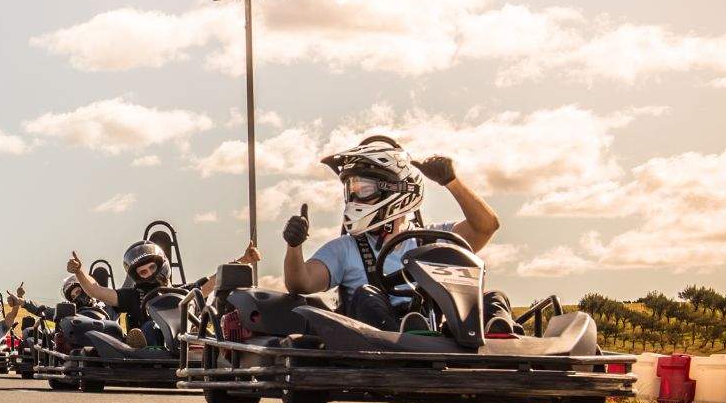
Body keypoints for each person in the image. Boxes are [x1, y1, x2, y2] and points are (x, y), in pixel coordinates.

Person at [278, 136, 508, 332]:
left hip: (436, 347)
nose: (356, 197)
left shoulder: (434, 239)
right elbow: (301, 283)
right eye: (352, 189)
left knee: (494, 298)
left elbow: (485, 227)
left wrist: (451, 182)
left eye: (364, 188)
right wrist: (294, 246)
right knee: (366, 296)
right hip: (378, 355)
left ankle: (503, 346)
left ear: (395, 189)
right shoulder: (345, 248)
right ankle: (407, 334)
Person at [65, 241, 259, 348]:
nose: (149, 273)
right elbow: (96, 291)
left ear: (162, 265)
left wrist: (244, 259)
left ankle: (208, 347)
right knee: (151, 327)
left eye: (151, 268)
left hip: (186, 336)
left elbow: (216, 279)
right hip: (152, 343)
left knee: (207, 321)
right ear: (137, 277)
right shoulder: (133, 296)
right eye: (143, 272)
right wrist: (79, 272)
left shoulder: (185, 290)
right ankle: (143, 344)